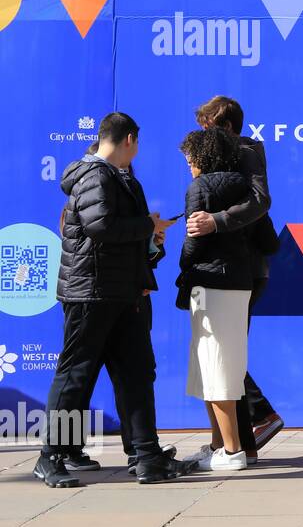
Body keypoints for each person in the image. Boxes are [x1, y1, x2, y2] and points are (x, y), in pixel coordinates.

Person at [35, 113, 191, 487]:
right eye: (137, 143)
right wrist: (147, 226)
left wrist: (151, 241)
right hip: (90, 292)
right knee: (76, 374)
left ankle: (146, 454)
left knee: (136, 372)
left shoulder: (118, 178)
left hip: (122, 292)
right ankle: (51, 456)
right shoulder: (95, 175)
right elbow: (100, 227)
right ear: (129, 139)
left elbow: (119, 235)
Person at [186, 96, 283, 461]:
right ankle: (243, 444)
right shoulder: (218, 156)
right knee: (224, 355)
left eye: (207, 127)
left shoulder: (245, 152)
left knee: (224, 356)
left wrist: (216, 221)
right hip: (228, 267)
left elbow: (260, 202)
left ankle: (242, 438)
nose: (202, 136)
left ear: (224, 126)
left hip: (243, 266)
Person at [177, 128, 258, 473]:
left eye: (191, 159)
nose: (189, 166)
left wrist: (182, 262)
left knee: (215, 366)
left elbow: (194, 239)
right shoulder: (245, 187)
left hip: (211, 283)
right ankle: (218, 446)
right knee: (220, 364)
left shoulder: (201, 187)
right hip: (239, 281)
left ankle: (231, 448)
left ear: (203, 158)